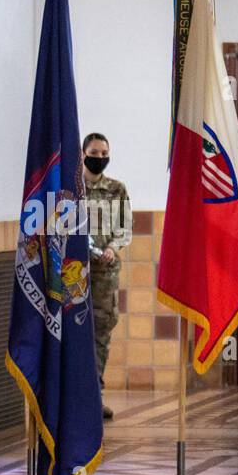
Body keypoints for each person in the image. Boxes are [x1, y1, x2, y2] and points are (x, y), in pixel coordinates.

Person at [82, 132, 132, 420]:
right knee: (74, 334)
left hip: (104, 275)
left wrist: (113, 247)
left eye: (103, 154)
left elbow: (125, 226)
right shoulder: (71, 187)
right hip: (74, 275)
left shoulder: (116, 189)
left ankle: (95, 398)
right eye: (94, 152)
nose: (99, 158)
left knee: (100, 335)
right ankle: (73, 396)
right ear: (83, 153)